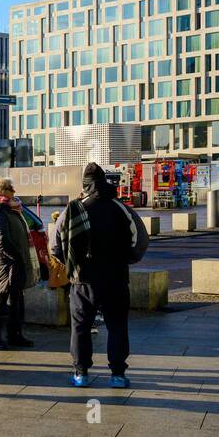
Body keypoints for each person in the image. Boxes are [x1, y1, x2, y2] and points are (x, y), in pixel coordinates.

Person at [51, 162, 149, 388]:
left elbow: (56, 245)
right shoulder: (121, 208)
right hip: (115, 278)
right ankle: (117, 374)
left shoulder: (73, 209)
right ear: (105, 182)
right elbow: (140, 240)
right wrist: (126, 260)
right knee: (117, 326)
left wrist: (71, 264)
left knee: (80, 326)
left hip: (82, 279)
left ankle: (81, 373)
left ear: (84, 186)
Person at [0, 177, 38, 350]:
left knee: (16, 300)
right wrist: (17, 257)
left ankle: (15, 334)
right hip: (5, 264)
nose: (14, 191)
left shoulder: (10, 210)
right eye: (11, 188)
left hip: (14, 263)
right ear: (1, 192)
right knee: (0, 301)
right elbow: (2, 241)